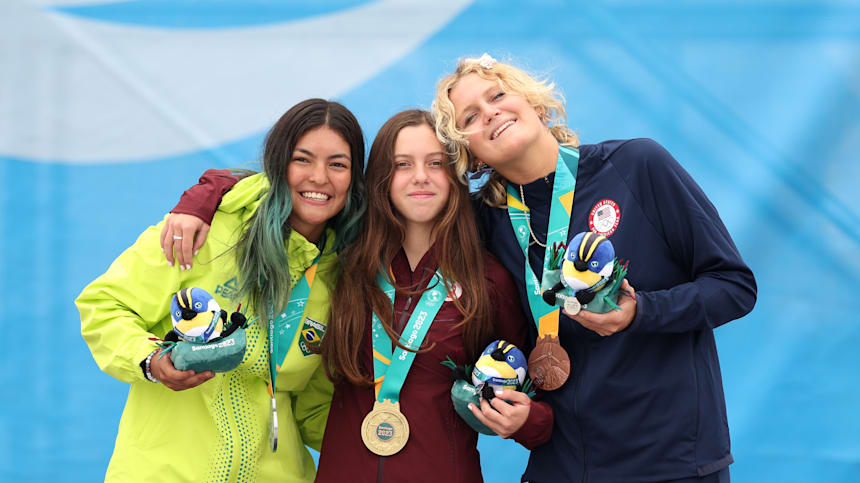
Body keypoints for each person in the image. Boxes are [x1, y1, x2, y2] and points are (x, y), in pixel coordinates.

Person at [163, 110, 554, 482]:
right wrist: (204, 195)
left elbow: (532, 393)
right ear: (380, 177)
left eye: (436, 163)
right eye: (402, 164)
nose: (420, 177)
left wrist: (528, 421)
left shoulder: (489, 280)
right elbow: (289, 190)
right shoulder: (343, 261)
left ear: (456, 176)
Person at [430, 54, 757, 482]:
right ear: (469, 155)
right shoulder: (481, 223)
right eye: (470, 116)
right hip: (563, 467)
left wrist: (641, 313)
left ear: (535, 103)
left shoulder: (636, 167)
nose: (490, 112)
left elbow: (734, 286)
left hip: (670, 462)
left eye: (498, 95)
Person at [76, 98, 367, 482]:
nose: (319, 177)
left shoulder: (338, 276)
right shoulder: (203, 230)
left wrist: (391, 433)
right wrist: (150, 361)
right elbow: (104, 305)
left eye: (338, 164)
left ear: (354, 178)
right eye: (302, 159)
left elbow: (313, 408)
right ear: (279, 163)